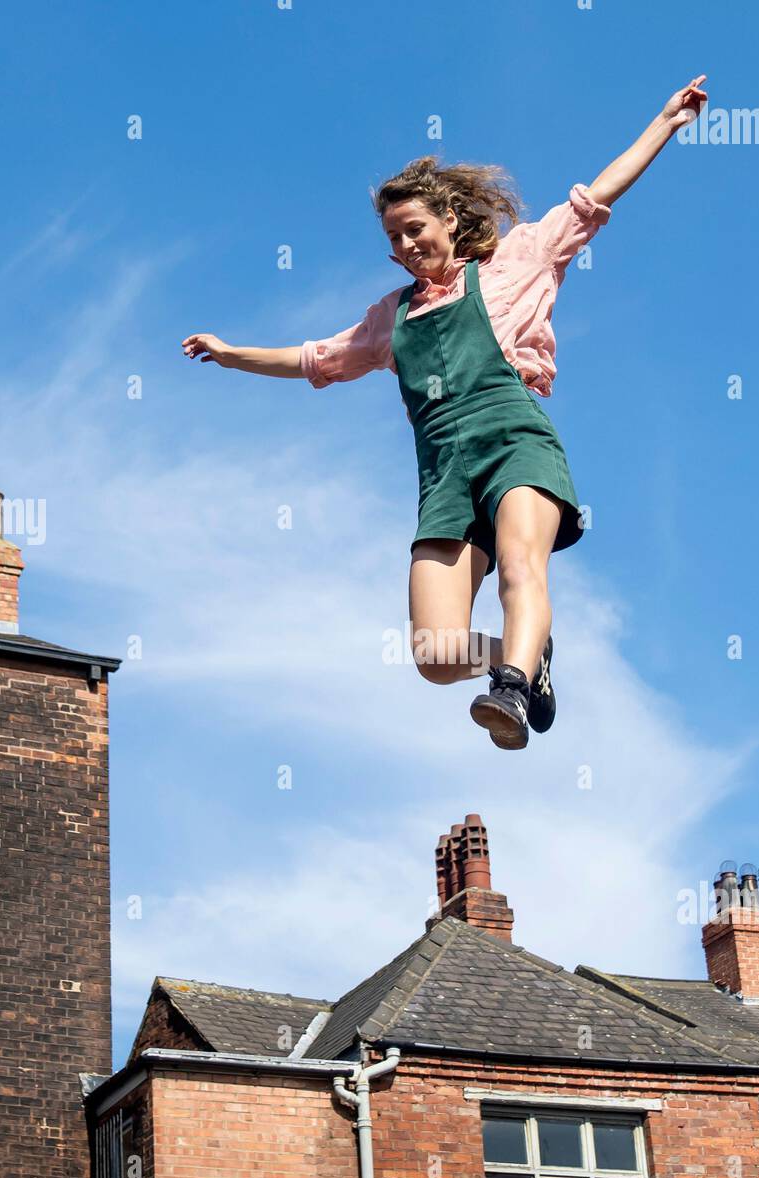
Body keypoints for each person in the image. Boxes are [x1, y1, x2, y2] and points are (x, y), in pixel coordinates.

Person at [183, 76, 708, 750]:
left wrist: (665, 122)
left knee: (521, 568)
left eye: (414, 230)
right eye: (393, 239)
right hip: (443, 477)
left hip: (515, 442)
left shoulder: (515, 263)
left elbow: (595, 197)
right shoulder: (390, 318)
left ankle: (513, 688)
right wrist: (233, 355)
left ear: (449, 222)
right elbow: (315, 358)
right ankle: (518, 656)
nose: (404, 247)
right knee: (434, 652)